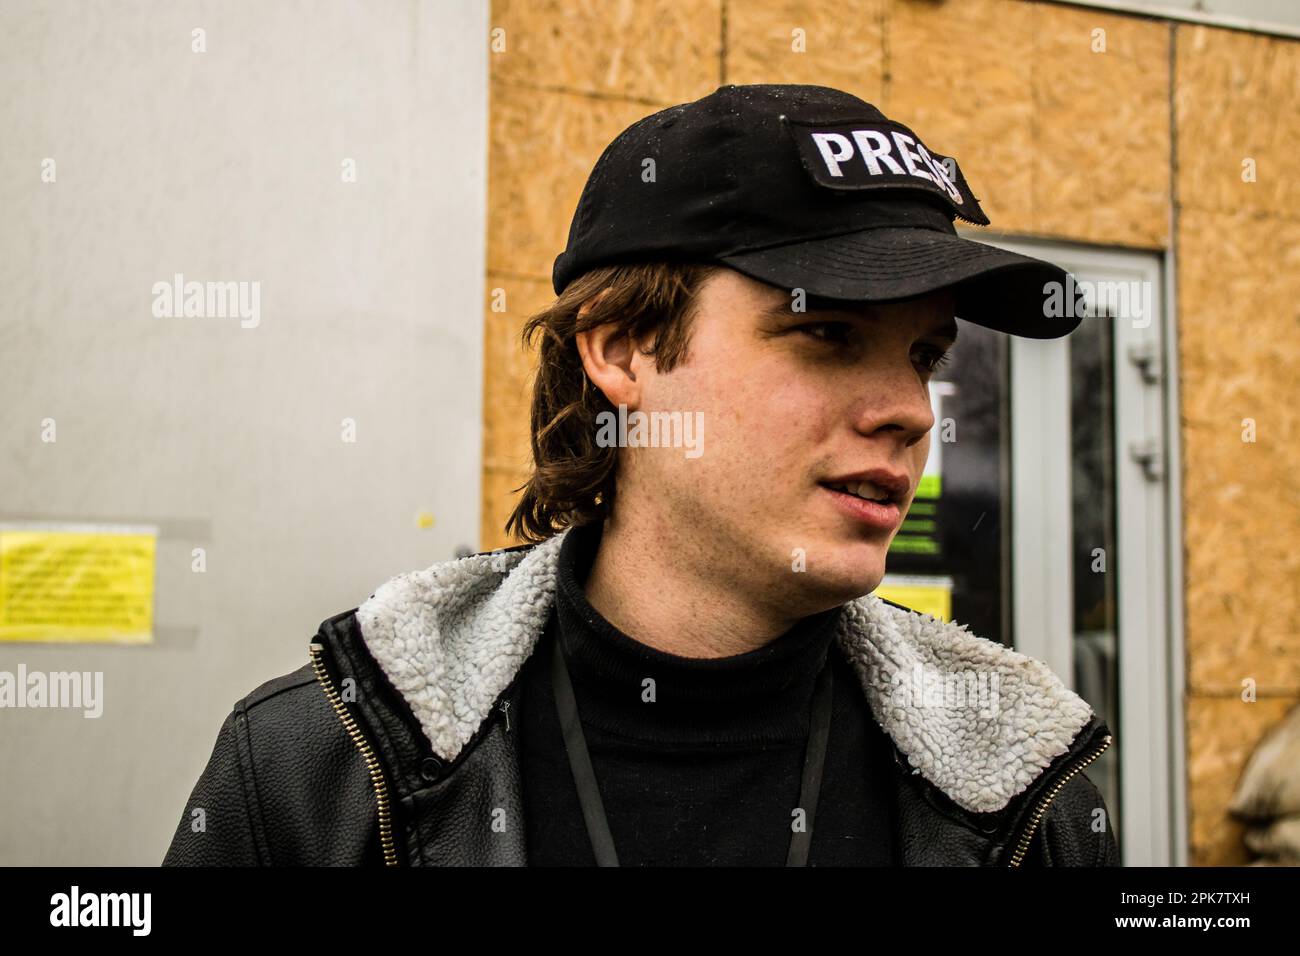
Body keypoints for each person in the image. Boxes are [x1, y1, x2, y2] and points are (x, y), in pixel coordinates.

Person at [163, 83, 1119, 867]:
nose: (911, 411)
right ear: (623, 350)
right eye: (827, 333)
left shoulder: (1027, 788)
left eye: (923, 356)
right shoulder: (321, 767)